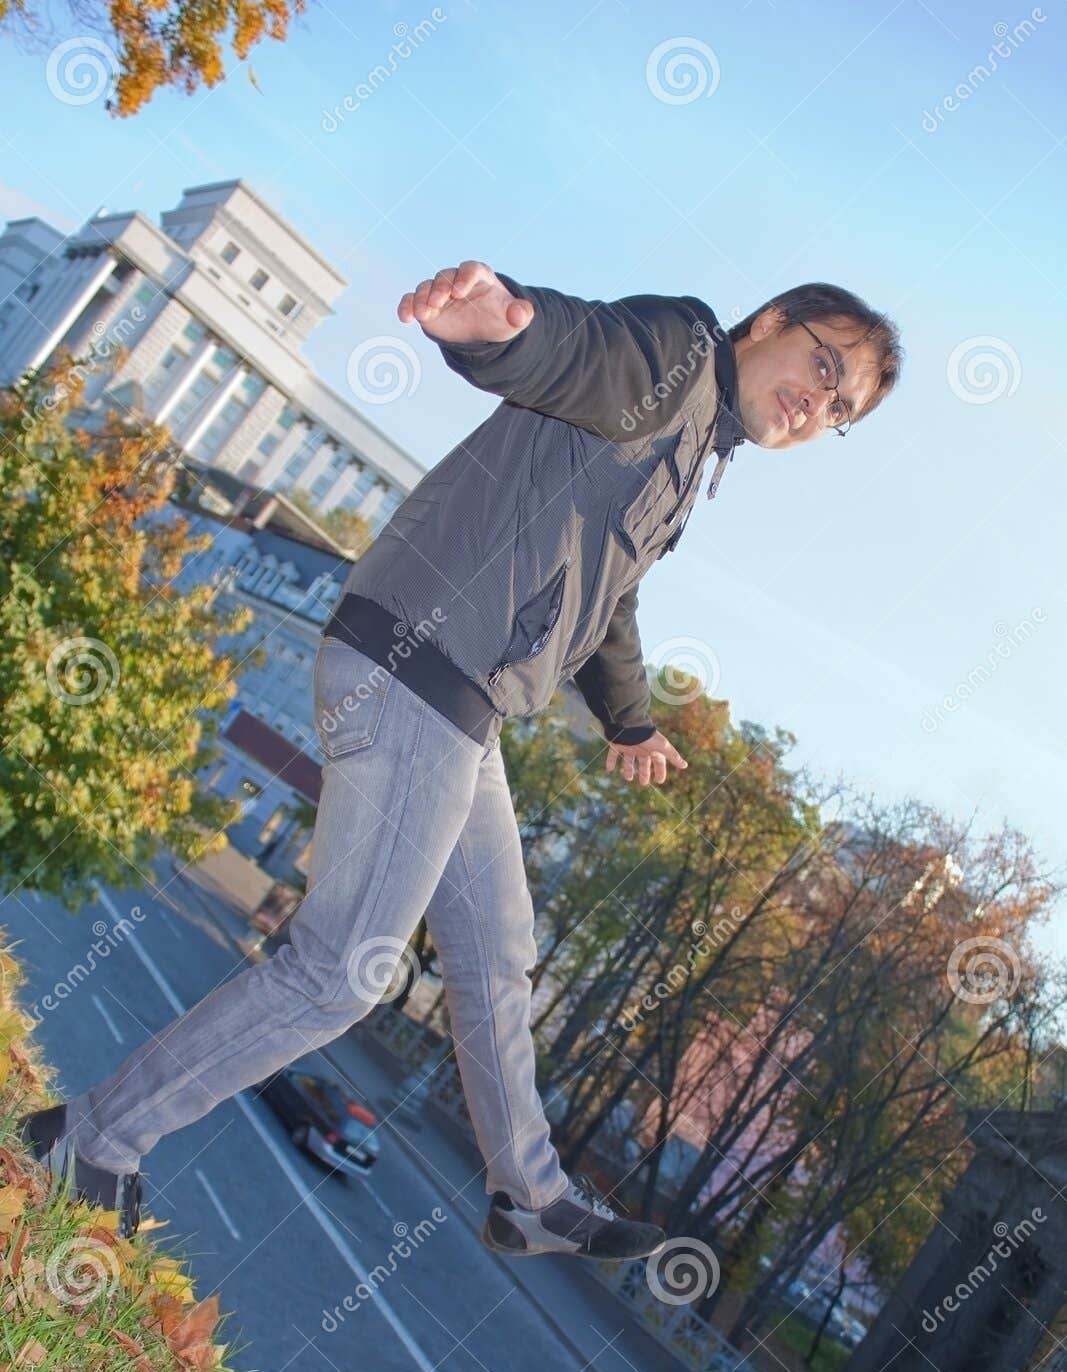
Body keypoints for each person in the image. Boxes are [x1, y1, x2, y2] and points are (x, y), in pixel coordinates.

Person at [20, 262, 902, 1254]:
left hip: (461, 701)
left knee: (497, 956)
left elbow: (606, 601)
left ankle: (527, 1195)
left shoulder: (695, 449)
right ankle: (91, 1137)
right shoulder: (677, 353)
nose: (815, 399)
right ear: (772, 321)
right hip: (415, 662)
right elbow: (573, 348)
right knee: (341, 972)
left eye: (838, 406)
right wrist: (503, 329)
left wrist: (629, 721)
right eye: (820, 364)